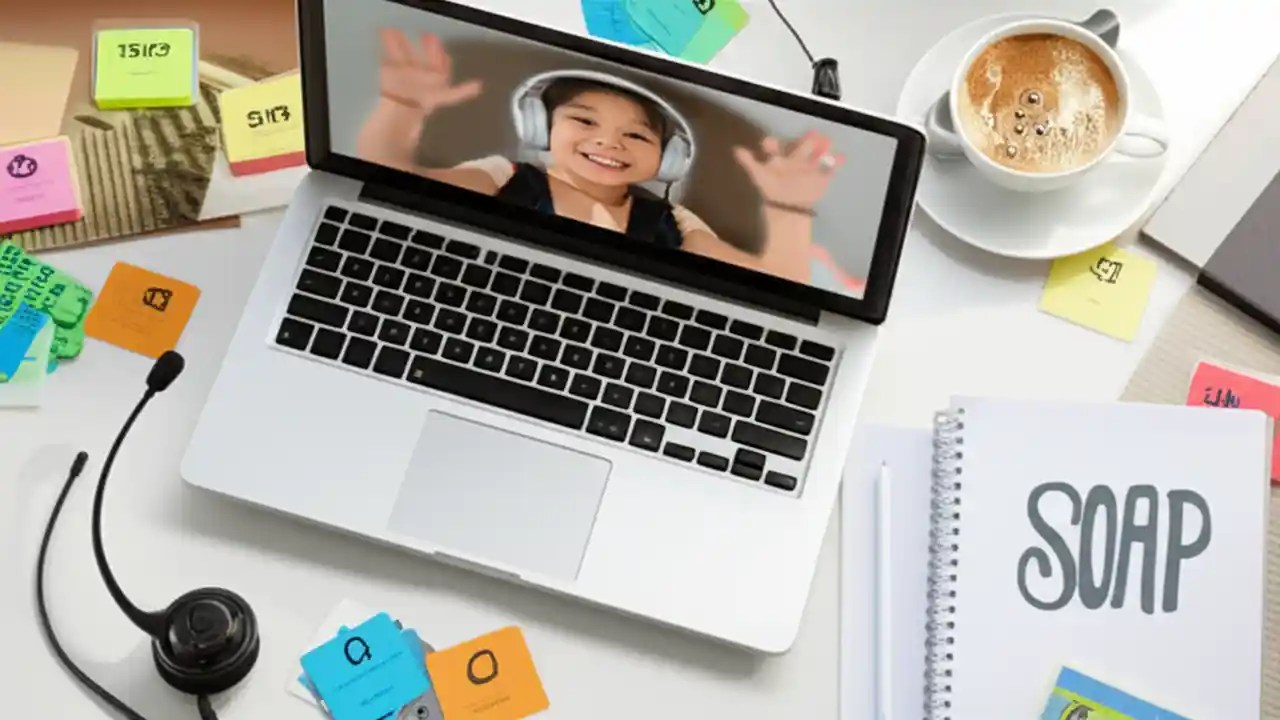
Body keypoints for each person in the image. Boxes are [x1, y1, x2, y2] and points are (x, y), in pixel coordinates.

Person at [357, 29, 848, 284]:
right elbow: (394, 179)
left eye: (636, 136)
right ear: (540, 124)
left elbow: (778, 285)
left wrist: (789, 209)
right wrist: (401, 108)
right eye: (585, 121)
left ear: (670, 159)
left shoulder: (672, 221)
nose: (609, 144)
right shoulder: (502, 175)